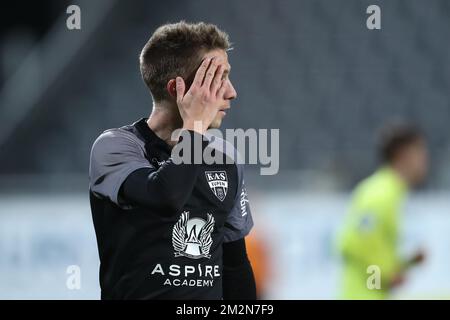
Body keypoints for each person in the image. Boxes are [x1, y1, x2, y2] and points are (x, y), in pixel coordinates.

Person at [89, 21, 256, 300]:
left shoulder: (226, 158)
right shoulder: (116, 147)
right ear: (178, 89)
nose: (231, 92)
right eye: (218, 78)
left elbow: (235, 264)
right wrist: (194, 126)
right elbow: (166, 196)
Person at [338, 122, 428, 299]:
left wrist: (407, 263)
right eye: (421, 153)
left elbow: (373, 250)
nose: (425, 160)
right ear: (404, 155)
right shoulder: (381, 193)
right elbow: (355, 242)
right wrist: (383, 277)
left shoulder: (391, 191)